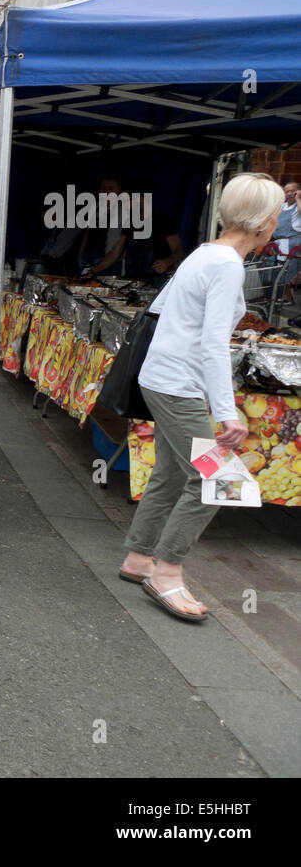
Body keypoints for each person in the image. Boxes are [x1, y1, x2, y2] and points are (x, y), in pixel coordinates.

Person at [119, 173, 283, 623]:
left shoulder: (207, 253)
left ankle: (140, 558)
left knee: (174, 473)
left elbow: (162, 312)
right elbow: (213, 343)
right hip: (179, 386)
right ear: (265, 222)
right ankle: (167, 570)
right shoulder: (228, 264)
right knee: (220, 481)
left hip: (165, 380)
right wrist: (227, 411)